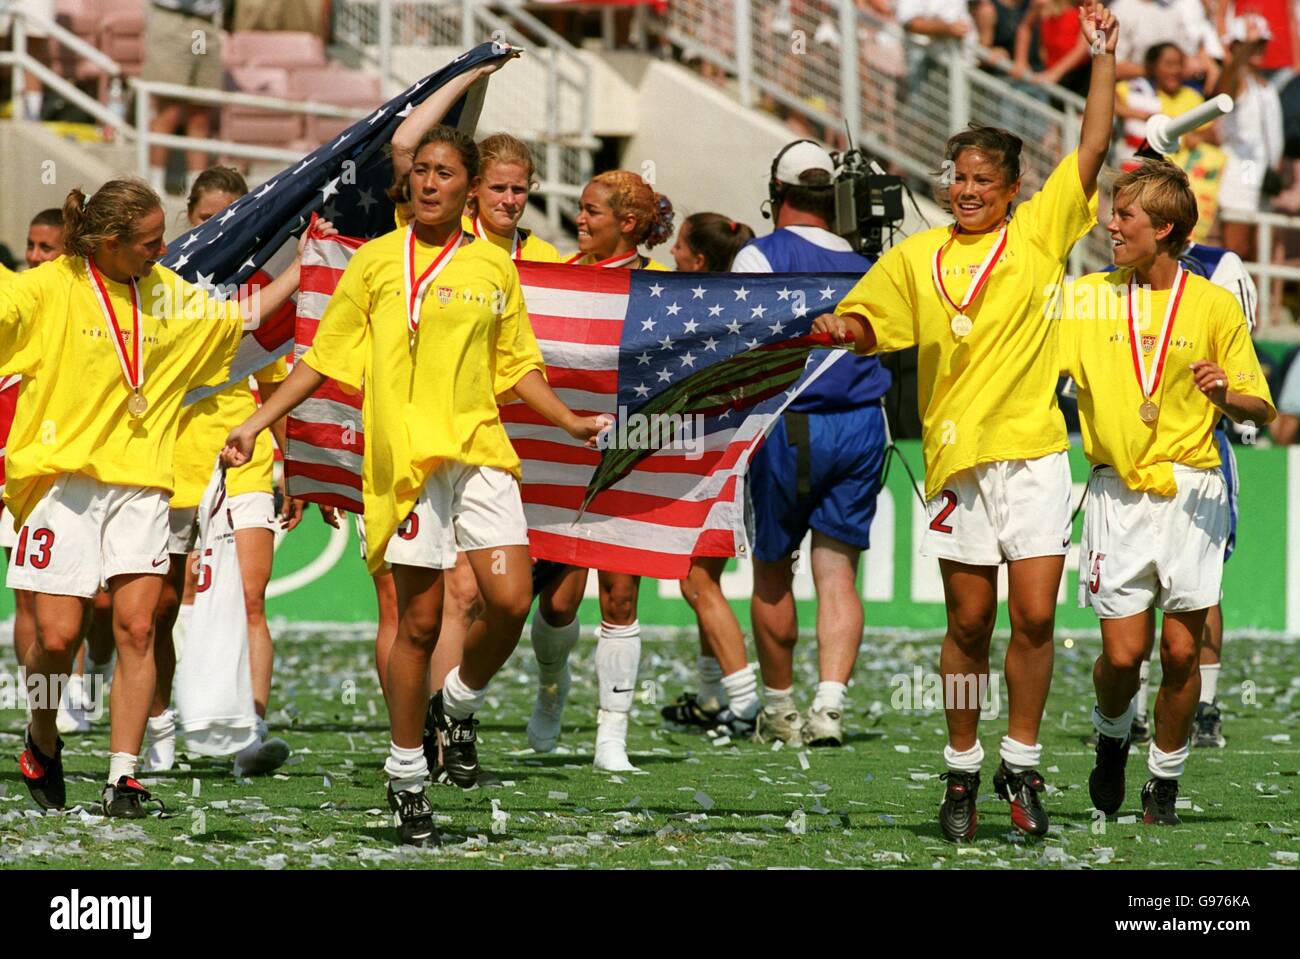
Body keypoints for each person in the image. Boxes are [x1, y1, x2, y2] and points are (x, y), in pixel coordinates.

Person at [223, 126, 608, 846]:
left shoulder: (495, 267)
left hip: (479, 452)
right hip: (403, 467)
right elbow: (319, 360)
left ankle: (456, 702)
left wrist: (568, 421)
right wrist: (257, 423)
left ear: (468, 187)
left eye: (445, 173)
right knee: (420, 623)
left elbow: (518, 365)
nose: (429, 183)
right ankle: (406, 777)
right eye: (422, 171)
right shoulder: (372, 263)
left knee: (511, 599)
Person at [815, 1, 1119, 841]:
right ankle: (960, 771)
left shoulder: (1039, 236)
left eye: (984, 181)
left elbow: (1091, 149)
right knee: (967, 624)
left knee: (1034, 619)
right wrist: (843, 327)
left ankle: (1020, 761)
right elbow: (869, 321)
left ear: (1013, 189)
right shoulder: (916, 256)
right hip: (955, 462)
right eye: (958, 178)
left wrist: (1100, 58)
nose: (968, 191)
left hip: (1031, 455)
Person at [1, 178, 261, 817]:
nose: (163, 249)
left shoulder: (166, 292)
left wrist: (308, 264)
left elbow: (243, 322)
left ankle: (124, 775)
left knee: (139, 625)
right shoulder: (48, 287)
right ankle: (42, 735)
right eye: (150, 242)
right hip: (64, 484)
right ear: (110, 243)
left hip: (145, 482)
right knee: (58, 638)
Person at [1060, 159, 1274, 825]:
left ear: (1167, 228)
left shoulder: (1210, 304)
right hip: (1117, 493)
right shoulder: (1088, 296)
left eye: (1125, 216)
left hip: (1193, 489)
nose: (1110, 225)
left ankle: (1166, 780)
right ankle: (1112, 734)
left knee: (1182, 651)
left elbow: (1260, 408)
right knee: (1123, 656)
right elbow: (1031, 361)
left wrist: (1227, 394)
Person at [142, 165, 319, 776]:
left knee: (249, 596)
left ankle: (250, 729)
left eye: (233, 221)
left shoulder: (261, 294)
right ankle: (163, 722)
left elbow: (278, 387)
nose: (219, 230)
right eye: (206, 219)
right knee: (165, 604)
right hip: (164, 462)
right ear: (188, 218)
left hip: (243, 462)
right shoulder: (155, 282)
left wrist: (294, 465)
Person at [729, 141, 891, 749]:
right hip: (862, 423)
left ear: (778, 193)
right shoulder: (872, 264)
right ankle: (830, 705)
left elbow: (742, 348)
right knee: (838, 573)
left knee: (773, 570)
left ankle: (779, 709)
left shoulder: (760, 256)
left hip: (788, 424)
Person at [522, 169, 674, 773]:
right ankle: (551, 691)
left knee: (619, 595)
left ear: (627, 223)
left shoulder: (663, 287)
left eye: (590, 211)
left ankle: (612, 736)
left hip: (629, 450)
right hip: (561, 447)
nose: (579, 221)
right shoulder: (558, 277)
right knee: (558, 603)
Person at [426, 132, 563, 748]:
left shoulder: (553, 260)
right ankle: (443, 729)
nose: (510, 199)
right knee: (458, 593)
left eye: (521, 189)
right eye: (499, 187)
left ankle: (551, 701)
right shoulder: (442, 249)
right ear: (474, 189)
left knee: (548, 599)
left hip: (539, 444)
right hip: (456, 439)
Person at [658, 213, 760, 729]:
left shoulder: (698, 314)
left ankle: (745, 704)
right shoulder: (738, 309)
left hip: (714, 461)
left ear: (698, 260)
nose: (671, 253)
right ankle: (712, 696)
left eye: (678, 247)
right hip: (725, 458)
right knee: (705, 580)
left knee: (697, 581)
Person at [1208, 14, 1285, 267]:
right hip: (1244, 169)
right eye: (1253, 44)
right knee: (1238, 247)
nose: (1259, 49)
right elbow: (1223, 92)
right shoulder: (1236, 79)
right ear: (1236, 47)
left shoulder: (1266, 85)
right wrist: (1241, 50)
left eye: (1262, 44)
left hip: (1264, 173)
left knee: (1259, 249)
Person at [141, 0, 224, 194]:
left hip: (207, 24)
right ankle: (154, 187)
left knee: (201, 114)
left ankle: (197, 190)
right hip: (172, 19)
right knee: (169, 111)